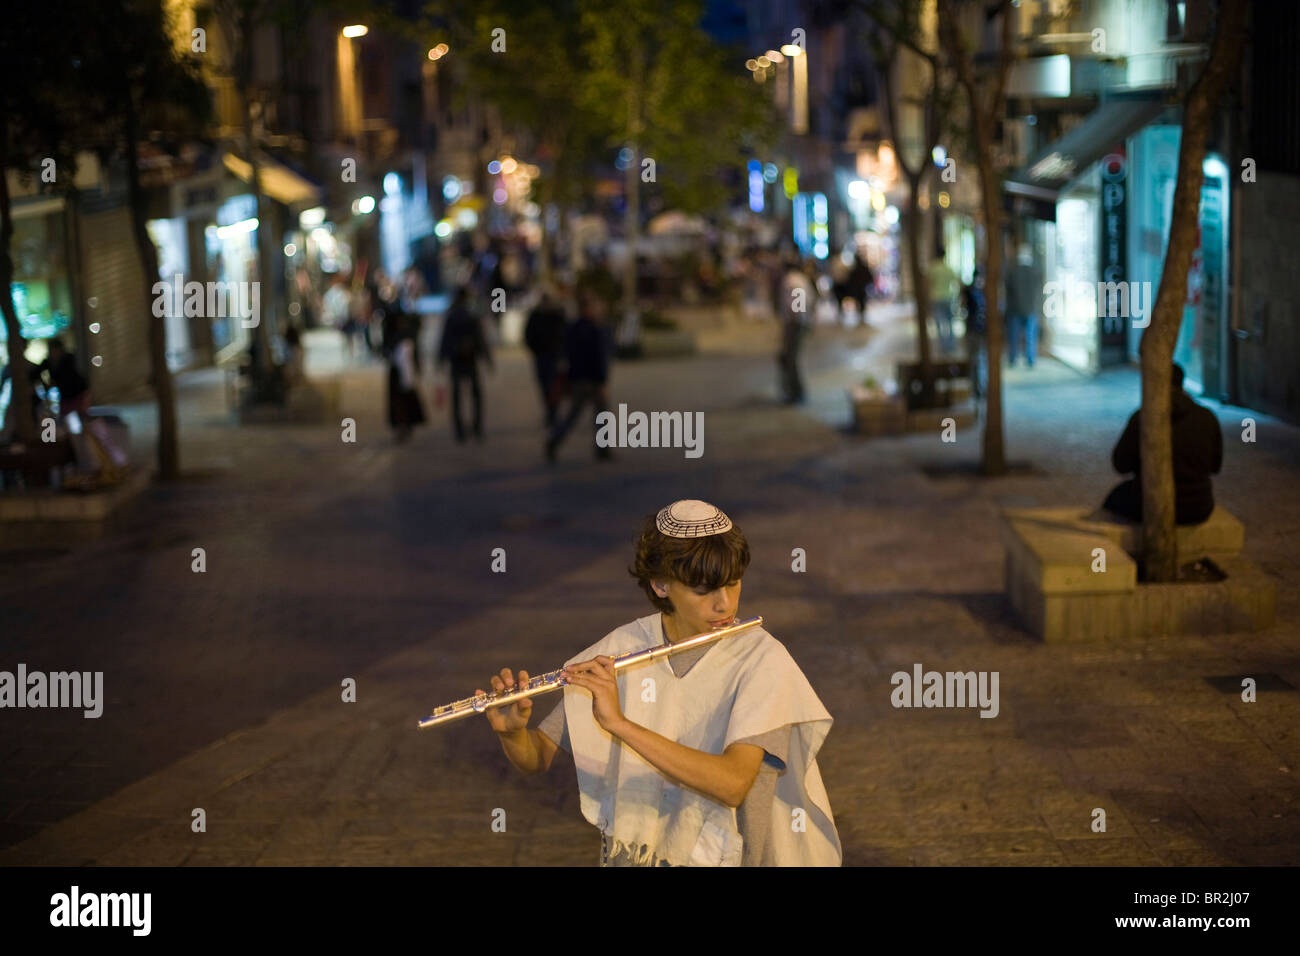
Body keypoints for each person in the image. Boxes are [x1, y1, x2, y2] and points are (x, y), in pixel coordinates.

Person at [481, 499, 842, 867]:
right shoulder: (622, 648)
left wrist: (619, 724)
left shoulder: (764, 660)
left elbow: (732, 784)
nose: (725, 605)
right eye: (704, 590)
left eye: (733, 584)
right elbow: (538, 756)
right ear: (661, 585)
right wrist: (513, 735)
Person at [1101, 363, 1223, 525]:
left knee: (1115, 498)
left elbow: (1121, 465)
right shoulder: (1207, 417)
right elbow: (1215, 466)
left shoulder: (1142, 417)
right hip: (1198, 506)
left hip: (1151, 503)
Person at [546, 288, 614, 462]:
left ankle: (555, 440)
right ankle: (602, 449)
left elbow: (567, 353)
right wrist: (602, 381)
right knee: (600, 415)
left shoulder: (574, 328)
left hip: (578, 378)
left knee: (576, 415)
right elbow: (599, 357)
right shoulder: (594, 328)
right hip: (592, 380)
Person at [437, 286, 493, 443]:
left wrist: (441, 359)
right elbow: (480, 338)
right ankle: (477, 427)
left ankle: (460, 430)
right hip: (470, 359)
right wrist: (487, 359)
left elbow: (445, 339)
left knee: (457, 396)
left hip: (456, 360)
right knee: (475, 395)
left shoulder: (452, 316)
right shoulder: (471, 315)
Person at [524, 284, 568, 429]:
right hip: (541, 356)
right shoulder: (536, 315)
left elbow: (565, 336)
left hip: (553, 356)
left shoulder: (557, 315)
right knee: (544, 386)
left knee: (553, 386)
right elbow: (528, 335)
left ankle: (553, 413)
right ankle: (551, 413)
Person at [777, 256, 815, 404]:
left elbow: (797, 307)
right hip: (800, 322)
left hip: (795, 324)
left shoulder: (791, 281)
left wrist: (792, 323)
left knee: (791, 358)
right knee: (791, 358)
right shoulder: (800, 279)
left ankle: (796, 391)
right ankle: (794, 390)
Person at [387, 312, 426, 443]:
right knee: (401, 403)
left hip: (402, 375)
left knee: (403, 403)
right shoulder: (403, 336)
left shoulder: (404, 336)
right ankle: (403, 427)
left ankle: (404, 427)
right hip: (400, 375)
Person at [1005, 245, 1039, 368]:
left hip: (1015, 308)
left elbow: (1008, 290)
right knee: (1030, 336)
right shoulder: (1035, 272)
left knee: (1014, 336)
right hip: (1030, 308)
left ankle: (1013, 358)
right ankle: (1030, 359)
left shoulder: (1012, 271)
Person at [961, 267, 988, 402]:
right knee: (977, 360)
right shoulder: (977, 291)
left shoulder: (974, 290)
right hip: (975, 329)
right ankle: (977, 388)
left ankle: (978, 388)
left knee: (977, 360)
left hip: (975, 329)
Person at [927, 250, 959, 355]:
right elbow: (957, 281)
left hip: (935, 298)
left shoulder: (933, 269)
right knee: (950, 322)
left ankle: (942, 346)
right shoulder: (948, 268)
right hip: (948, 297)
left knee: (939, 322)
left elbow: (928, 283)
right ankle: (951, 345)